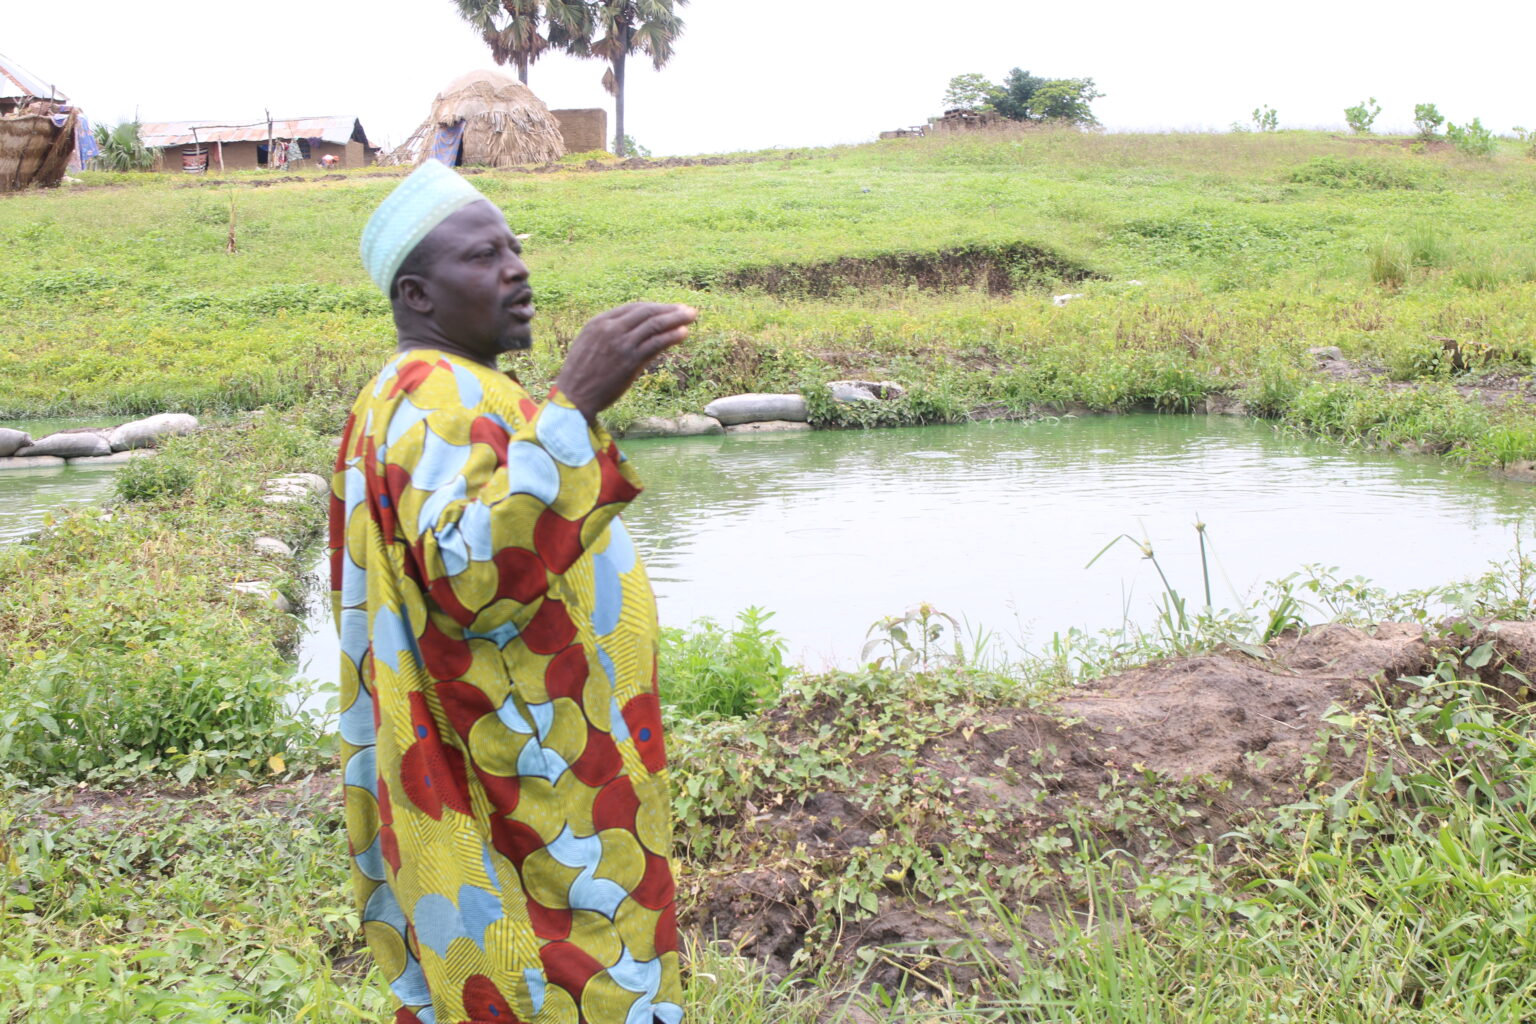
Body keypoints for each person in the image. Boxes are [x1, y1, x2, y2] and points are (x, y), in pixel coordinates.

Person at [332, 159, 697, 1024]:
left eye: (514, 249)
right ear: (418, 295)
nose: (516, 268)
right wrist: (573, 406)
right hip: (526, 775)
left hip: (512, 749)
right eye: (483, 255)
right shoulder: (439, 394)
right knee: (570, 977)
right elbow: (471, 579)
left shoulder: (410, 394)